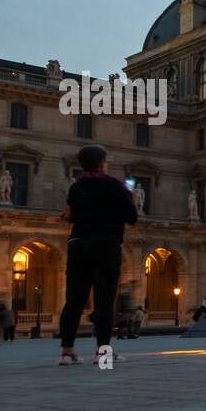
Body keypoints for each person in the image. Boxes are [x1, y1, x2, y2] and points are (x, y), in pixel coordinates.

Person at [57, 145, 138, 366]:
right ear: (102, 163)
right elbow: (131, 217)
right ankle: (103, 352)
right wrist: (128, 199)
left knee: (74, 298)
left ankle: (66, 352)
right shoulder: (114, 185)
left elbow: (70, 215)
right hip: (105, 243)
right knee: (103, 299)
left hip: (77, 243)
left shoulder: (76, 187)